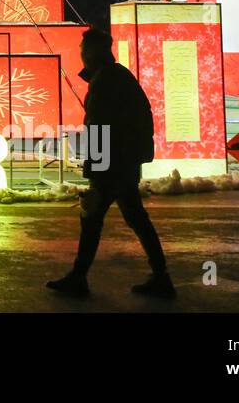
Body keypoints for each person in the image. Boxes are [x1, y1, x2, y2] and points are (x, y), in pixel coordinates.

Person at [46, 28, 172, 298]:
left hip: (113, 163)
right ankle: (161, 276)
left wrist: (95, 166)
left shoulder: (107, 81)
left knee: (92, 218)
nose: (80, 51)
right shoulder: (114, 77)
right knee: (135, 218)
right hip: (122, 161)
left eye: (83, 47)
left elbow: (100, 128)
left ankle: (79, 278)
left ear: (94, 50)